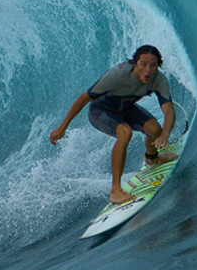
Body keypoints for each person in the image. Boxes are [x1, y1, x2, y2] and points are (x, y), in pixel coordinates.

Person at [49, 45, 177, 204]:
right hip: (100, 111)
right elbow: (83, 98)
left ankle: (152, 157)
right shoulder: (118, 75)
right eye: (143, 64)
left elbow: (169, 111)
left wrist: (165, 135)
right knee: (125, 132)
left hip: (126, 108)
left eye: (153, 65)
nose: (148, 70)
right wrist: (62, 127)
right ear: (135, 64)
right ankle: (115, 190)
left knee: (155, 129)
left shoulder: (159, 80)